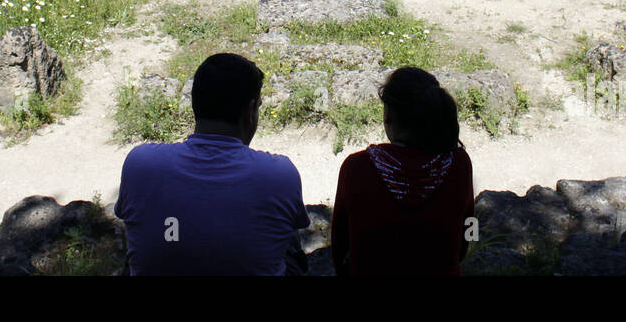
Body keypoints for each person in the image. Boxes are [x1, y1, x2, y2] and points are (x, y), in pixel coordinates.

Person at [114, 52, 309, 275]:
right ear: (249, 111)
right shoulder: (279, 175)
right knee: (287, 237)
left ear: (195, 103)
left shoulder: (140, 164)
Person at [330, 66, 475, 276]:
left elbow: (339, 247)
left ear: (388, 115)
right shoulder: (460, 163)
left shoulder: (356, 167)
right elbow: (470, 225)